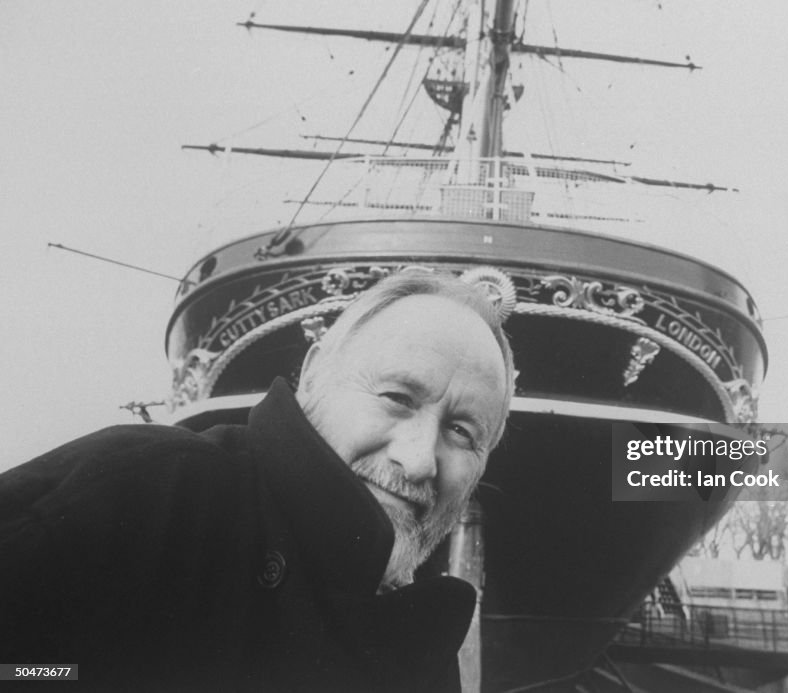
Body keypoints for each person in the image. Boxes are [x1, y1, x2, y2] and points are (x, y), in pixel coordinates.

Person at [0, 271, 515, 692]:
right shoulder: (147, 490)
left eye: (463, 432)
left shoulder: (421, 647)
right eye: (398, 399)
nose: (421, 460)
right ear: (313, 375)